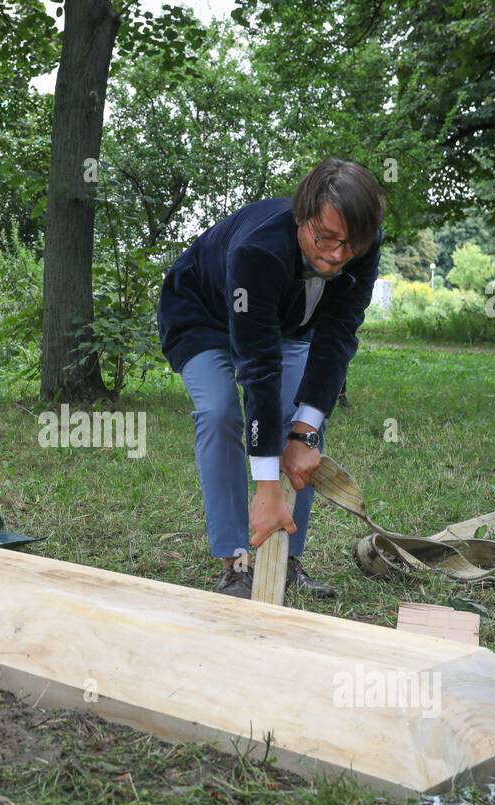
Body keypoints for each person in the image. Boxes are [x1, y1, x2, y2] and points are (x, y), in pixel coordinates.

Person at [157, 158, 386, 599]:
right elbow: (258, 369)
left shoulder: (363, 240)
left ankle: (285, 559)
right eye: (326, 238)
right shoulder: (258, 250)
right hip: (203, 316)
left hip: (287, 323)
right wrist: (265, 486)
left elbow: (337, 336)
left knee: (301, 421)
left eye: (350, 243)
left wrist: (304, 433)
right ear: (302, 217)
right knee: (220, 410)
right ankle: (236, 561)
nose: (337, 255)